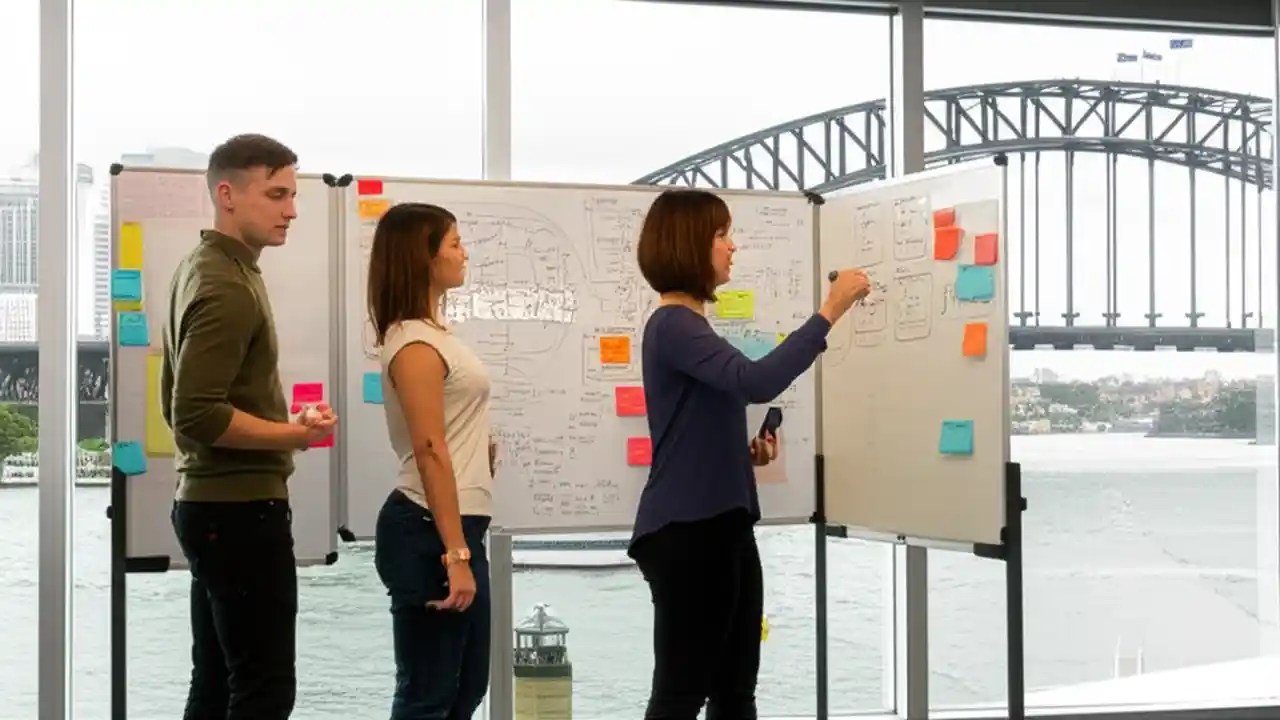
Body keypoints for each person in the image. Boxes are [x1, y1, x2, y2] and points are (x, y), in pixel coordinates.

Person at [629, 188, 869, 720]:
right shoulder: (673, 324)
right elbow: (756, 380)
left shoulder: (689, 326)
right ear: (692, 244)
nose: (732, 247)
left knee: (734, 692)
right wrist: (830, 311)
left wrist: (745, 457)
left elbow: (696, 422)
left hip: (720, 525)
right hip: (690, 532)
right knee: (682, 693)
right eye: (721, 235)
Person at [162, 133, 337, 720]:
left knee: (216, 686)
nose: (291, 209)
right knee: (263, 690)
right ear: (228, 194)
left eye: (292, 195)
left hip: (212, 508)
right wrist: (296, 436)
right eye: (277, 194)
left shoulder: (207, 266)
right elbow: (196, 413)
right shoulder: (225, 285)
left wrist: (285, 424)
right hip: (238, 511)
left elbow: (195, 405)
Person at [367, 202, 497, 720]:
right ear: (423, 258)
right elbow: (428, 450)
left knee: (467, 689)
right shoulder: (413, 343)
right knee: (428, 699)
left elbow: (447, 435)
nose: (464, 253)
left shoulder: (437, 335)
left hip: (457, 528)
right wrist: (455, 555)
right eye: (454, 243)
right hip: (427, 531)